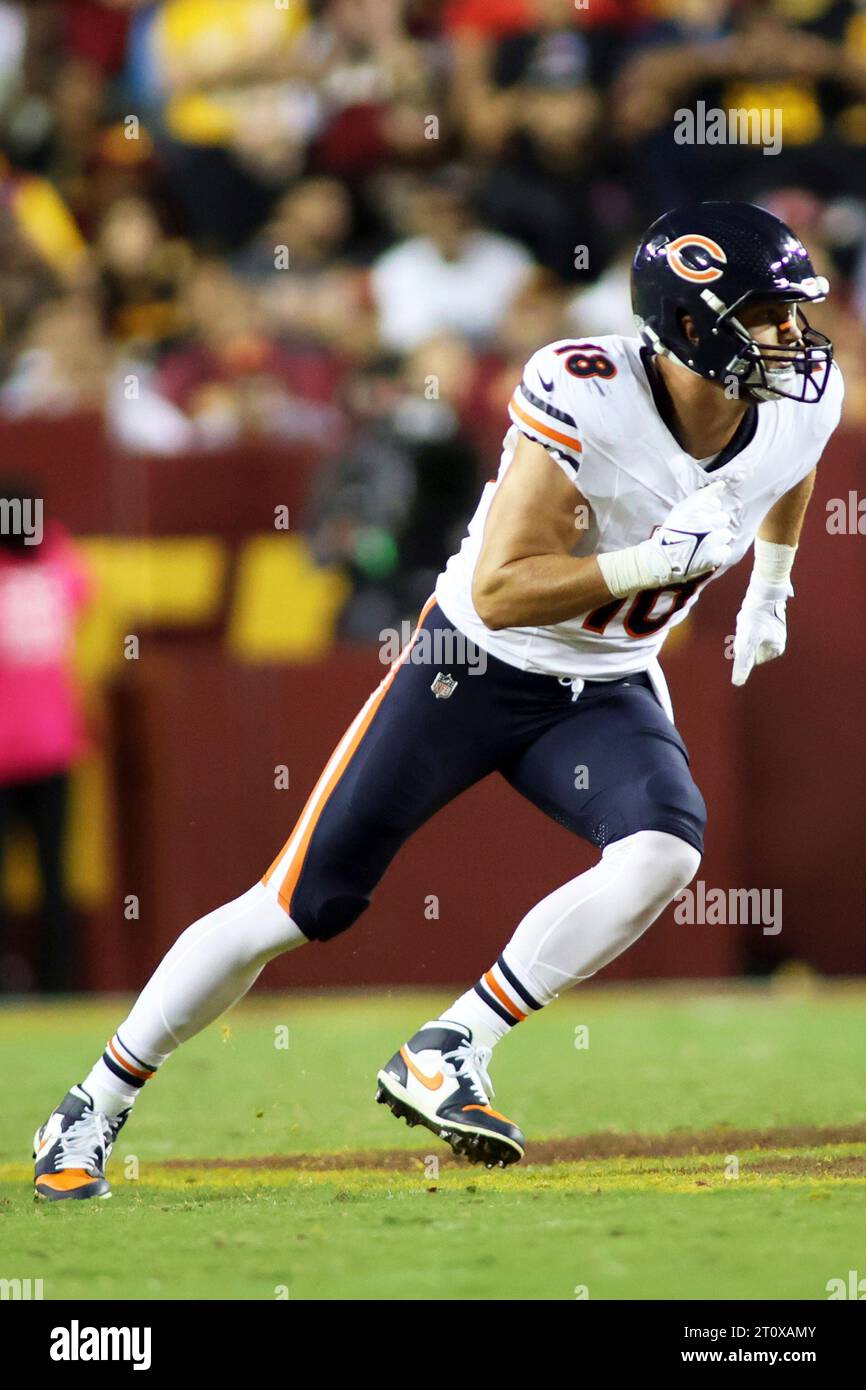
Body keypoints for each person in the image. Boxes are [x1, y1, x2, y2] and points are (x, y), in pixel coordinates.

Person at [32, 201, 843, 1197]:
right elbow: (503, 586)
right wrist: (644, 561)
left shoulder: (799, 393)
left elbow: (788, 465)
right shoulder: (584, 392)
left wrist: (772, 582)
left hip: (603, 682)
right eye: (766, 316)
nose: (793, 339)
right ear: (689, 326)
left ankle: (452, 1044)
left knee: (662, 851)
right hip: (473, 663)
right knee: (294, 903)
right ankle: (90, 1106)